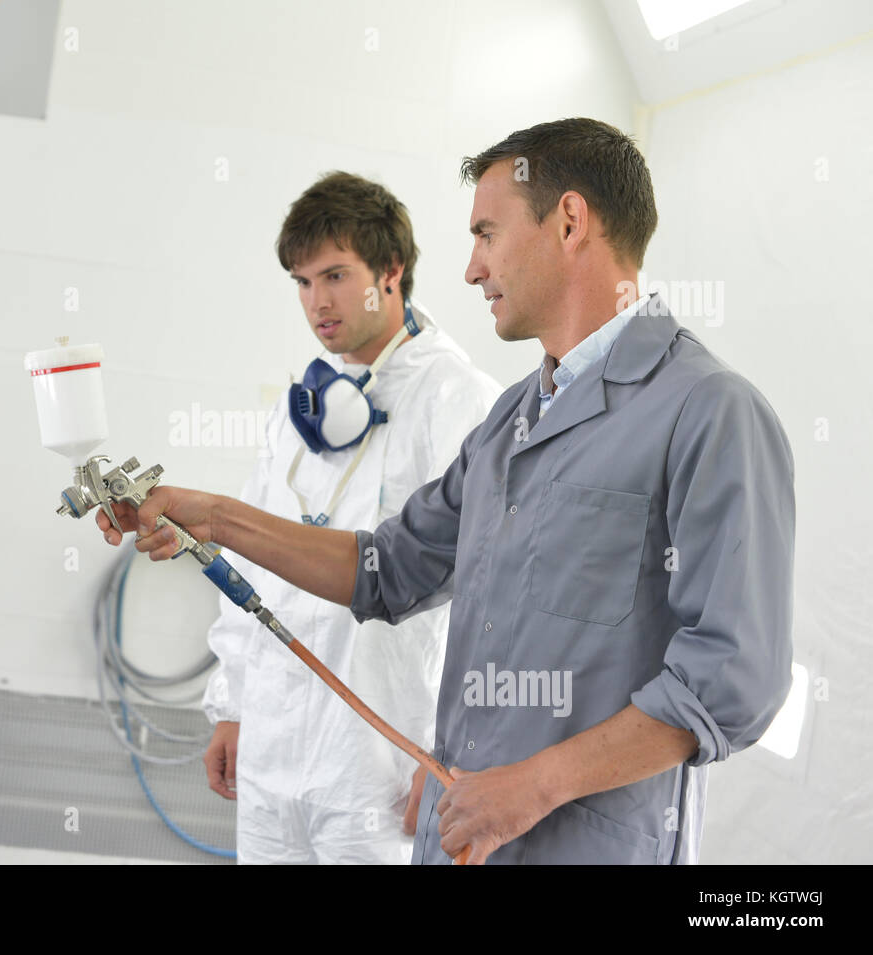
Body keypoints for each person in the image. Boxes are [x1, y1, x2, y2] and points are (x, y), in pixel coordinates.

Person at [100, 119, 795, 864]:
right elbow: (386, 569)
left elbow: (730, 681)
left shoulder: (708, 410)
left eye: (486, 233)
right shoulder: (511, 423)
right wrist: (213, 517)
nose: (470, 268)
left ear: (568, 221)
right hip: (463, 837)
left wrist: (532, 786)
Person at [197, 172, 502, 864]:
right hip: (273, 757)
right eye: (302, 282)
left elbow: (487, 590)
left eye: (335, 275)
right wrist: (232, 702)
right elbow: (251, 563)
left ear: (391, 272)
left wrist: (452, 751)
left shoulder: (458, 400)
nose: (317, 302)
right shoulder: (298, 408)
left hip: (381, 769)